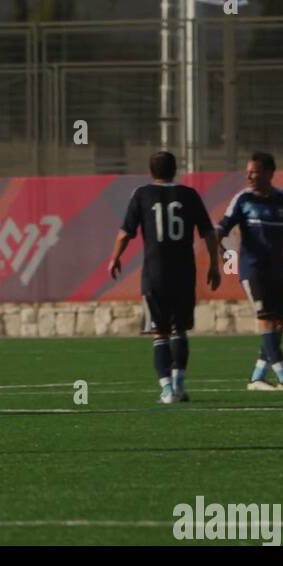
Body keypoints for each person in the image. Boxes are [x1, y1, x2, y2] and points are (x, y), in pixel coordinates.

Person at [108, 151, 221, 403]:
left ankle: (167, 390)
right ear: (175, 171)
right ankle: (179, 386)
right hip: (184, 272)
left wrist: (114, 258)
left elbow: (126, 233)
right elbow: (208, 233)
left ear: (151, 172)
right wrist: (215, 265)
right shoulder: (189, 195)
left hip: (155, 273)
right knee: (179, 330)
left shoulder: (141, 194)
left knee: (160, 332)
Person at [216, 152, 283, 391]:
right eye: (248, 171)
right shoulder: (242, 200)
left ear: (270, 173)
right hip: (253, 270)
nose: (249, 176)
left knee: (279, 323)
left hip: (278, 270)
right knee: (267, 320)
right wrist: (223, 256)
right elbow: (220, 230)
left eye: (255, 171)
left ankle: (257, 377)